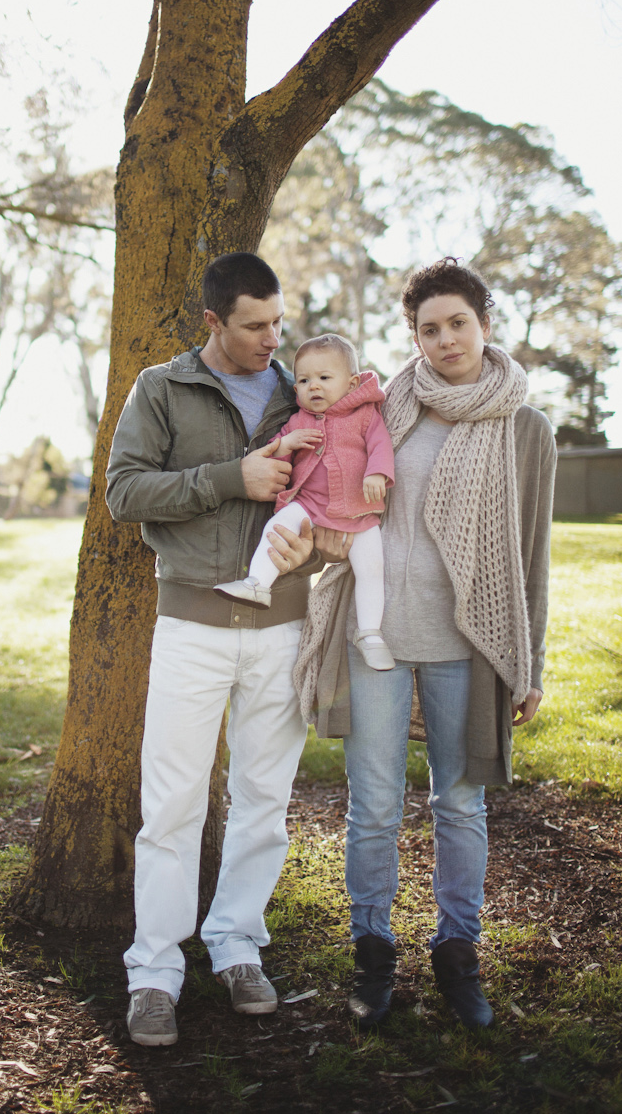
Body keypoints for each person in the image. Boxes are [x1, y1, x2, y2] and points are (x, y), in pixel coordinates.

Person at [293, 258, 556, 1031]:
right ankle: (372, 953)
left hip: (467, 643)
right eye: (428, 328)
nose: (444, 340)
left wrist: (528, 663)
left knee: (459, 804)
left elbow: (532, 554)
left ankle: (457, 954)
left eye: (458, 324)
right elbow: (329, 484)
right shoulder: (380, 407)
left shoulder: (524, 427)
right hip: (375, 639)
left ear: (484, 323)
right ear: (413, 335)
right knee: (372, 807)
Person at [105, 252, 351, 1048]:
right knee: (171, 805)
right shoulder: (161, 388)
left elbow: (339, 487)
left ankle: (238, 944)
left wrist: (320, 540)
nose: (272, 339)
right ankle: (154, 969)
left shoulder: (301, 391)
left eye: (279, 322)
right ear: (212, 321)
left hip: (282, 627)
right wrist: (226, 478)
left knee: (264, 803)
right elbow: (124, 492)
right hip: (190, 628)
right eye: (254, 326)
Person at [214, 333, 396, 671]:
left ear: (351, 382)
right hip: (309, 504)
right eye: (304, 380)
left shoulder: (365, 416)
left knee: (372, 569)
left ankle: (370, 633)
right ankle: (257, 584)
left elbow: (380, 446)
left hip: (358, 511)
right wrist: (288, 443)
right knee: (277, 527)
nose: (314, 387)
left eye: (325, 378)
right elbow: (271, 450)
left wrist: (376, 474)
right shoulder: (299, 420)